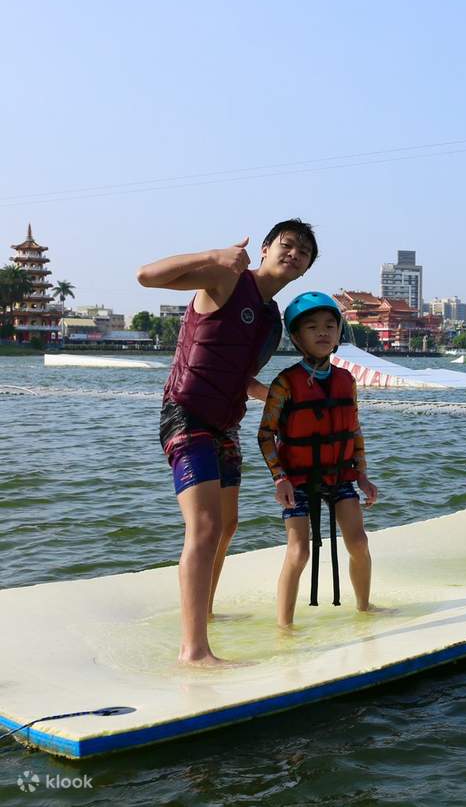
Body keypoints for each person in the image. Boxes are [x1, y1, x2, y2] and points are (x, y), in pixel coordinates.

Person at [137, 218, 316, 665]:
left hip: (225, 424)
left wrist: (272, 395)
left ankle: (205, 612)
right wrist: (213, 256)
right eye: (286, 245)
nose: (292, 254)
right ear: (266, 249)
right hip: (187, 413)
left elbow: (234, 370)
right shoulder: (227, 277)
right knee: (205, 528)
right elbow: (146, 276)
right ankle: (194, 650)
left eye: (303, 252)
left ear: (307, 267)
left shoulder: (272, 317)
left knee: (227, 525)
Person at [257, 292, 379, 628]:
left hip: (339, 477)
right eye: (312, 327)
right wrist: (279, 478)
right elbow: (265, 434)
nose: (323, 332)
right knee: (299, 552)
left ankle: (365, 608)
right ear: (296, 337)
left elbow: (353, 431)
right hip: (296, 480)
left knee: (359, 542)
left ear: (339, 333)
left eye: (330, 326)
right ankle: (285, 626)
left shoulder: (346, 380)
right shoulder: (285, 383)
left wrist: (363, 477)